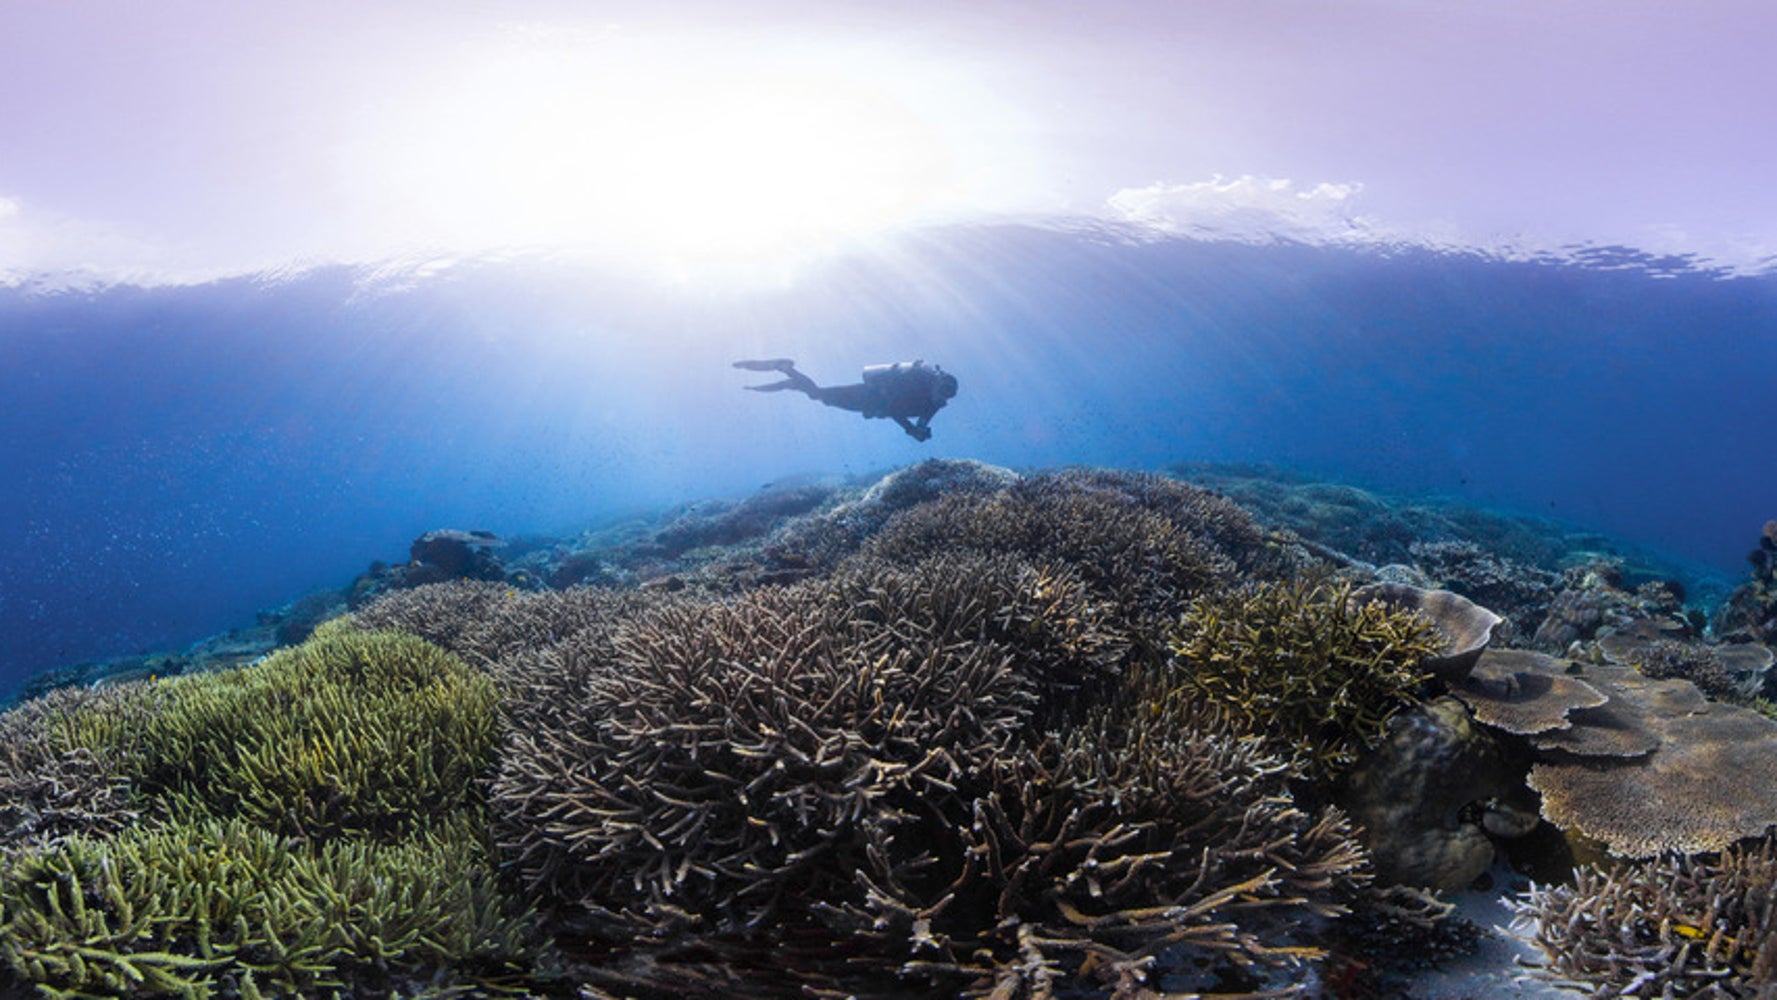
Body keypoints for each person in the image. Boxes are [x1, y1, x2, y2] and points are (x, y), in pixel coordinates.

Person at [733, 358, 958, 441]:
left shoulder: (933, 402)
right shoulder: (916, 386)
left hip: (868, 402)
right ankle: (786, 370)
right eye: (942, 392)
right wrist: (910, 429)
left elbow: (922, 419)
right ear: (937, 384)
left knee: (818, 395)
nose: (941, 398)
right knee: (818, 395)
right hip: (865, 395)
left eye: (946, 396)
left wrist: (919, 430)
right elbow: (896, 409)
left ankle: (791, 378)